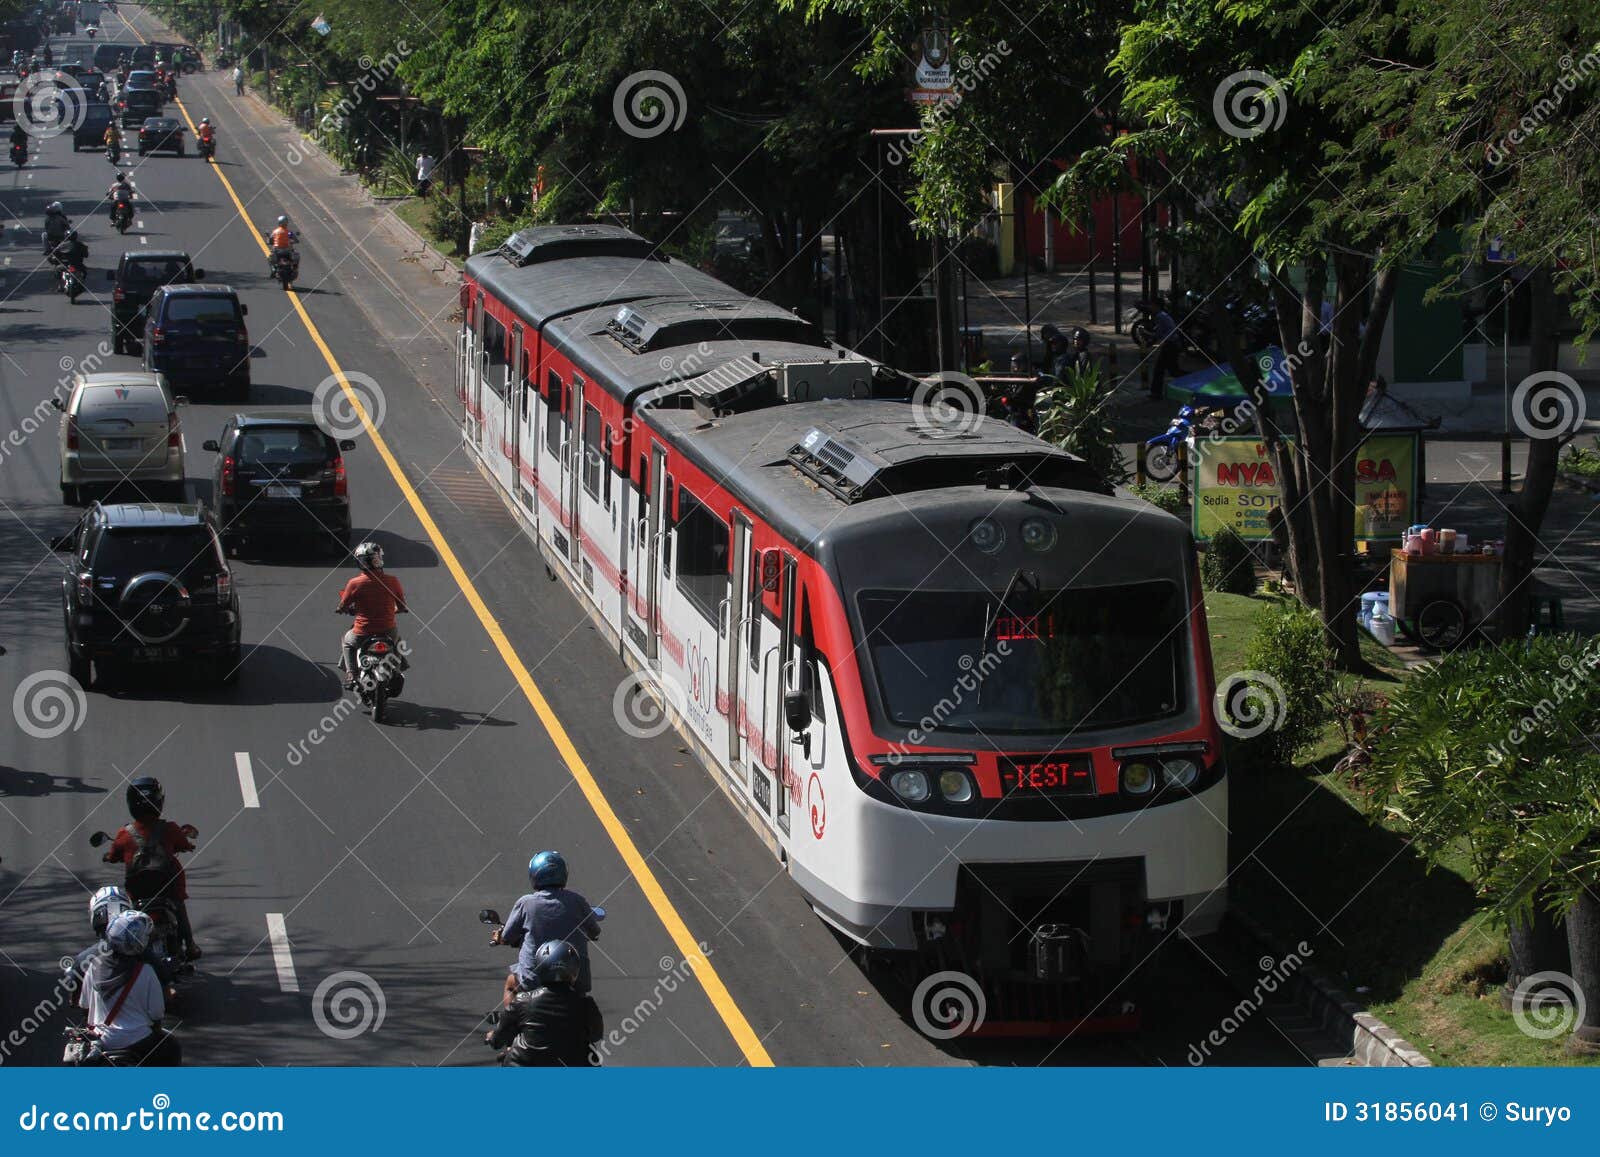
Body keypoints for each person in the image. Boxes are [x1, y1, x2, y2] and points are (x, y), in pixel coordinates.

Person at [101, 777, 200, 961]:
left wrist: (109, 857)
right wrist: (186, 845)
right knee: (179, 905)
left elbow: (113, 855)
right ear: (159, 801)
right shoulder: (170, 828)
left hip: (136, 892)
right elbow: (184, 844)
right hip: (168, 889)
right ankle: (190, 945)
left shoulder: (124, 833)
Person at [491, 850, 602, 1005]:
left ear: (534, 875)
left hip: (533, 980)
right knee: (583, 1001)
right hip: (575, 980)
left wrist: (499, 937)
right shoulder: (577, 901)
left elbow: (507, 936)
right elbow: (595, 931)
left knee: (511, 983)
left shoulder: (526, 903)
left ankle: (506, 1024)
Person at [77, 910, 181, 1066]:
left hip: (100, 1041)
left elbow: (84, 1006)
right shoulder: (146, 971)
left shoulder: (93, 966)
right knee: (172, 1047)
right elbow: (157, 1014)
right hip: (138, 1041)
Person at [486, 941, 603, 1067]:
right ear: (574, 969)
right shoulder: (585, 1004)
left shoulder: (522, 1001)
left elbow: (497, 1040)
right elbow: (596, 1035)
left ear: (540, 967)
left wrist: (492, 1037)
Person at [337, 540, 407, 690]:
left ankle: (351, 674)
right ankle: (397, 670)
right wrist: (396, 610)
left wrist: (341, 609)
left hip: (362, 632)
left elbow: (344, 605)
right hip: (388, 630)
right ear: (379, 560)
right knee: (398, 642)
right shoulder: (393, 581)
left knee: (347, 642)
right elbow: (402, 606)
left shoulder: (354, 583)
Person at [1148, 301, 1183, 400]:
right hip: (1173, 344)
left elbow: (1159, 334)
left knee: (1160, 369)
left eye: (1152, 305)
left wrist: (1146, 333)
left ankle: (1156, 393)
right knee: (1173, 370)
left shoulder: (1160, 316)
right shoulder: (1164, 315)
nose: (1151, 307)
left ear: (1157, 306)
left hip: (1170, 345)